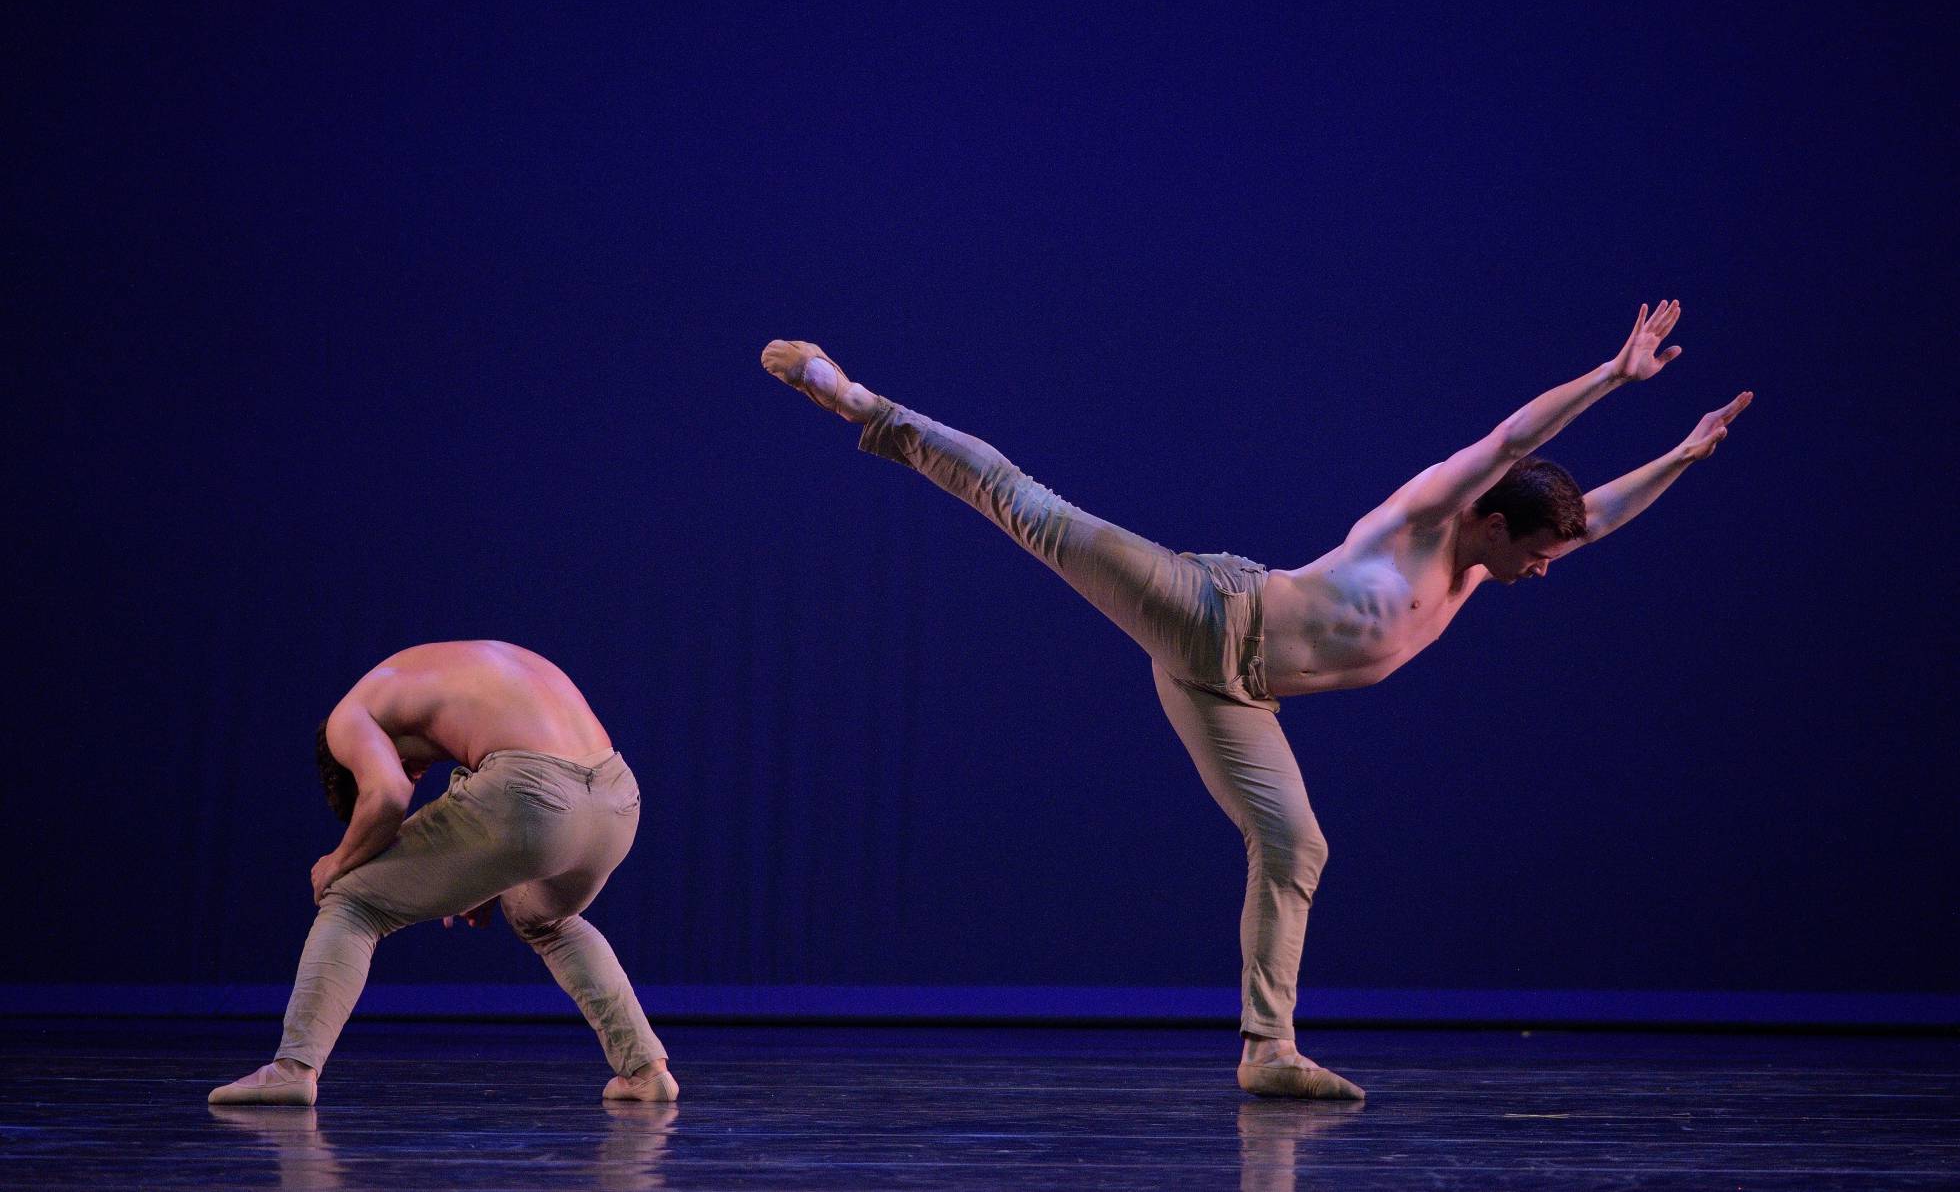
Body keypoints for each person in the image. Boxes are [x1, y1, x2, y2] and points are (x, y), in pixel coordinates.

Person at [759, 301, 1750, 1099]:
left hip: (1237, 693)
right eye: (1536, 551)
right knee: (1031, 507)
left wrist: (1679, 456)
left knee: (1295, 845)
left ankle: (1267, 1050)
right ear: (1495, 522)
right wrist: (1611, 377)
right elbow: (1510, 437)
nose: (1545, 569)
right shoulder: (1425, 519)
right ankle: (855, 398)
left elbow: (1592, 518)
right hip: (1208, 607)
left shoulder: (1482, 570)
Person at [208, 640, 674, 1105]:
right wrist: (487, 874)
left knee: (352, 899)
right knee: (547, 920)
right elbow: (532, 770)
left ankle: (293, 1069)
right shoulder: (444, 668)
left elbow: (386, 797)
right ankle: (645, 1070)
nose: (416, 774)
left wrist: (338, 861)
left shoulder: (347, 718)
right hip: (617, 799)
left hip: (533, 794)